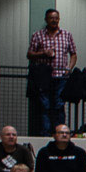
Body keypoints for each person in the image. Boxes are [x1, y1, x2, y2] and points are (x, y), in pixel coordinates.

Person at [26, 8, 76, 136]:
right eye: (51, 18)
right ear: (46, 19)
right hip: (44, 76)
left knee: (59, 105)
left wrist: (68, 69)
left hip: (61, 76)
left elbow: (73, 54)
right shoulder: (38, 35)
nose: (54, 20)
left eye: (56, 18)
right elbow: (30, 54)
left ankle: (60, 132)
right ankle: (46, 133)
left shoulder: (66, 34)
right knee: (45, 105)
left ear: (59, 19)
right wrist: (44, 53)